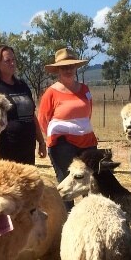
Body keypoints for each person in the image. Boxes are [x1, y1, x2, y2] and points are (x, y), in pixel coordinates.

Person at [37, 48, 97, 194]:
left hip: (87, 141)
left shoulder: (84, 89)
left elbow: (88, 112)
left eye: (71, 66)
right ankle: (67, 216)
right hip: (62, 144)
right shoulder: (50, 93)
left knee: (89, 182)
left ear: (76, 68)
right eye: (64, 67)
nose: (68, 70)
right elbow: (43, 120)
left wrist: (81, 130)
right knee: (66, 182)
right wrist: (50, 139)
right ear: (58, 70)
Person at [0, 45, 46, 165]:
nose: (12, 63)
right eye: (7, 61)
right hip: (6, 150)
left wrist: (41, 142)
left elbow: (32, 116)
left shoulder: (22, 85)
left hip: (27, 148)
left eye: (13, 60)